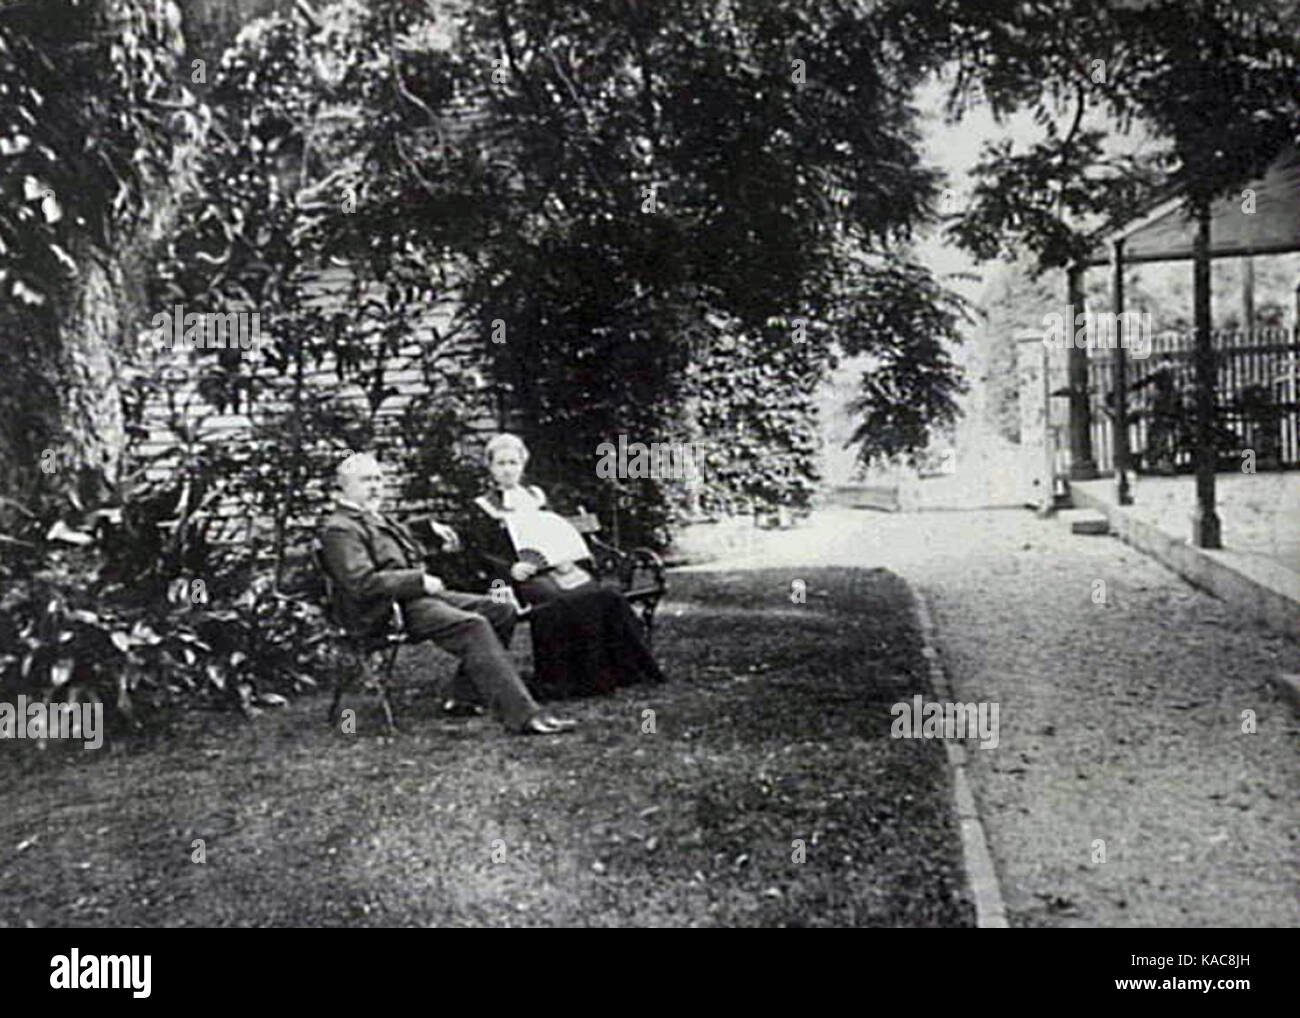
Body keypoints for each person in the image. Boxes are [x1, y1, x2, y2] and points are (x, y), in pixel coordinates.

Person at [318, 452, 576, 736]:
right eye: (366, 480)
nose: (375, 486)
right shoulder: (340, 529)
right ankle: (524, 715)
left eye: (378, 479)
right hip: (383, 610)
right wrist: (418, 580)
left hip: (410, 599)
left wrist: (433, 533)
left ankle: (465, 697)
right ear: (344, 487)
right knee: (473, 625)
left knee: (500, 609)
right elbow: (361, 583)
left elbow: (402, 547)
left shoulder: (371, 516)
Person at [455, 433, 665, 698]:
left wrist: (564, 557)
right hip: (515, 580)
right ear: (491, 467)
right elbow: (480, 553)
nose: (508, 469)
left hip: (555, 569)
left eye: (513, 462)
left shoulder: (536, 497)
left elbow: (555, 533)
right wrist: (510, 569)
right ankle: (564, 678)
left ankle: (615, 670)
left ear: (523, 465)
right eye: (501, 463)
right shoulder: (482, 507)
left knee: (602, 595)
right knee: (558, 600)